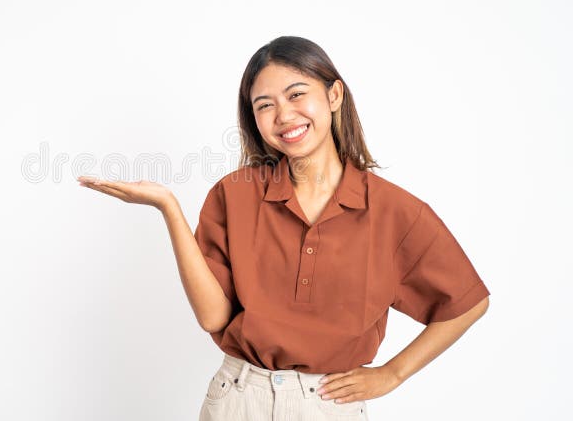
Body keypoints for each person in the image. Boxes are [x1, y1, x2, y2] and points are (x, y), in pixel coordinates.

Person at [77, 36, 490, 421]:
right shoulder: (233, 195)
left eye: (296, 95)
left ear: (334, 95)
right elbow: (213, 316)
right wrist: (168, 207)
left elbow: (468, 302)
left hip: (329, 405)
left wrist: (393, 373)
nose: (283, 115)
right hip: (239, 398)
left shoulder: (394, 210)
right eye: (264, 105)